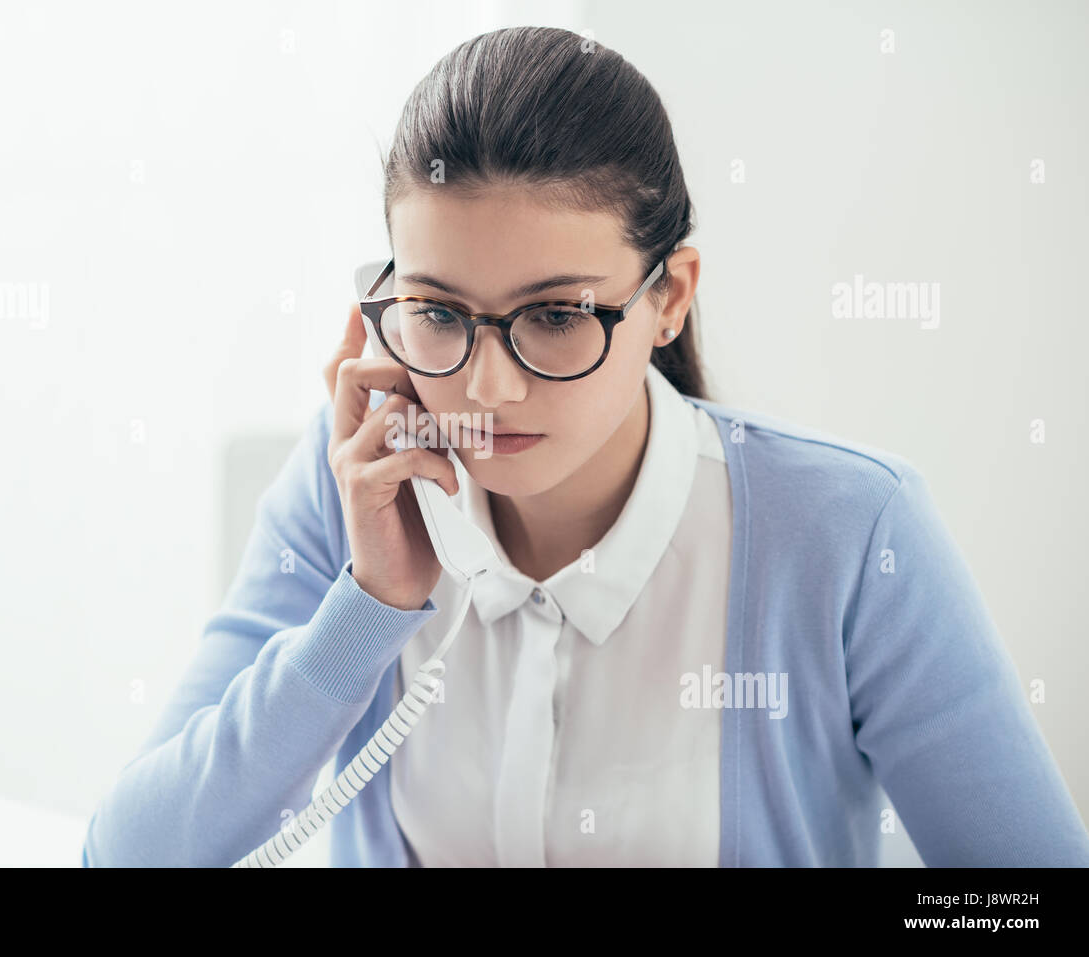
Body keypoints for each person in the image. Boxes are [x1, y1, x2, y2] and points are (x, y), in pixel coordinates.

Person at [82, 26, 1089, 867]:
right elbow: (129, 855)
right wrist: (369, 609)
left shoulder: (848, 532)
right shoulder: (354, 481)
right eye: (435, 311)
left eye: (555, 315)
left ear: (669, 297)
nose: (486, 386)